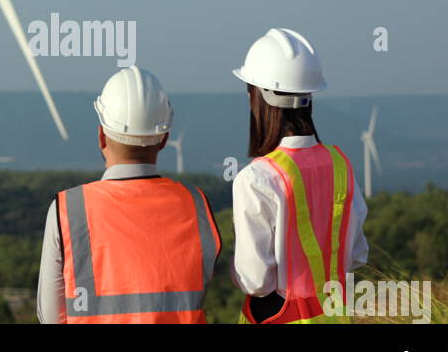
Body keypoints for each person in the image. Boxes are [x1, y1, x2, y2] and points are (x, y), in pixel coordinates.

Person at [37, 65, 221, 324]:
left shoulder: (69, 209)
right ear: (165, 139)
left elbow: (50, 316)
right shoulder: (196, 204)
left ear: (101, 136)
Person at [230, 28, 369, 323]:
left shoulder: (257, 178)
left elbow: (255, 281)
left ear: (257, 96)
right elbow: (356, 255)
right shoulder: (341, 164)